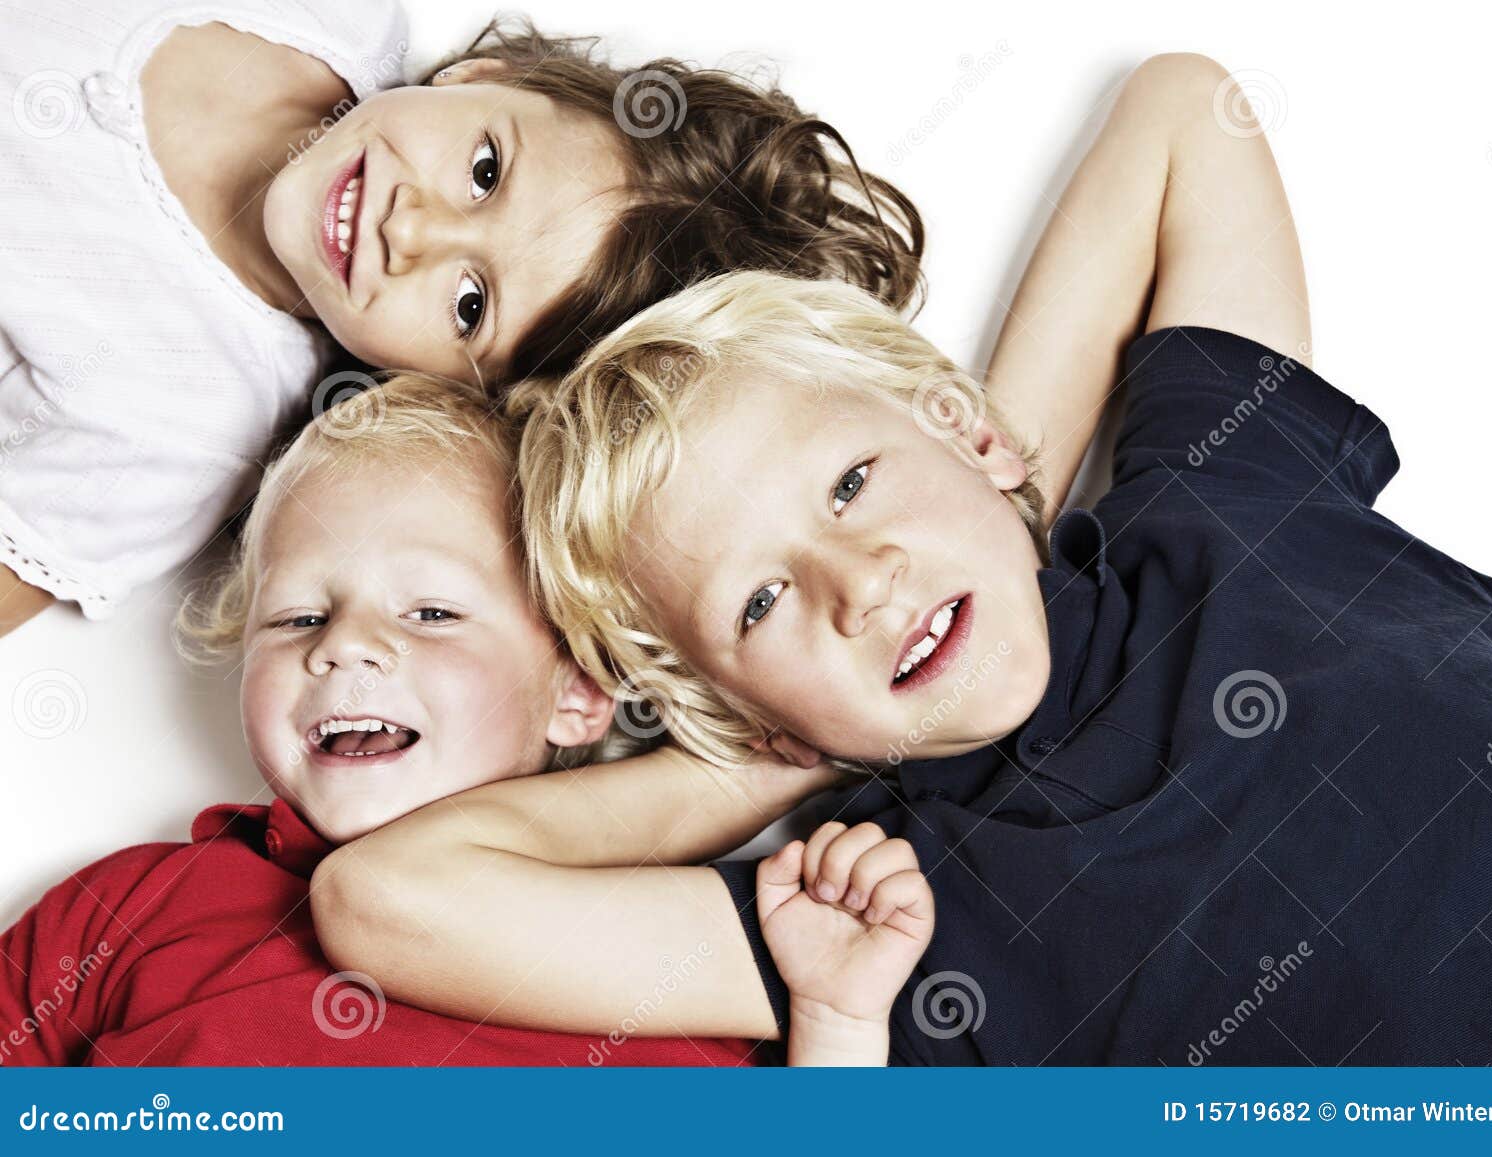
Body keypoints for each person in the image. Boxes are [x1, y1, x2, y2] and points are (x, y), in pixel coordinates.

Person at [313, 53, 1492, 1065]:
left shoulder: (1220, 502)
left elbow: (1183, 115)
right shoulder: (874, 920)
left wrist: (993, 487)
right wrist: (767, 744)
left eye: (853, 484)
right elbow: (385, 899)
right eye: (759, 601)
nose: (859, 582)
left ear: (970, 428)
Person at [0, 375, 927, 1066]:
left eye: (431, 613)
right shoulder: (136, 908)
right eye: (297, 618)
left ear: (579, 688)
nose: (345, 648)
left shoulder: (657, 952)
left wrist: (838, 1030)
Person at [0, 1, 923, 636]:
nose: (414, 228)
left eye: (470, 303)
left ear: (433, 388)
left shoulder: (178, 435)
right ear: (492, 74)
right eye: (484, 170)